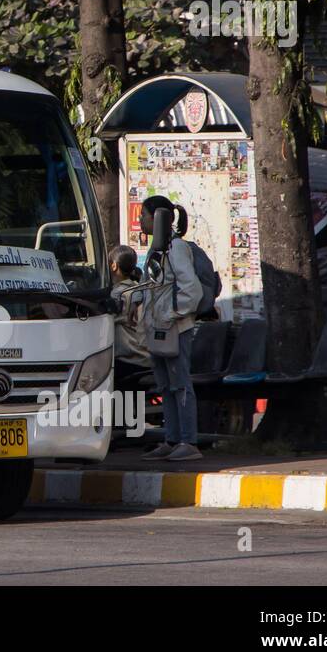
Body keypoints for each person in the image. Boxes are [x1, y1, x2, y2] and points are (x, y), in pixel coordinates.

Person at [138, 195, 204, 462]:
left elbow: (192, 289)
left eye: (144, 215)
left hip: (175, 328)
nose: (140, 220)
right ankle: (172, 438)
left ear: (158, 218)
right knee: (165, 386)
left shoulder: (175, 248)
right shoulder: (157, 249)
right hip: (158, 329)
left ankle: (189, 440)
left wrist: (170, 315)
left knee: (181, 385)